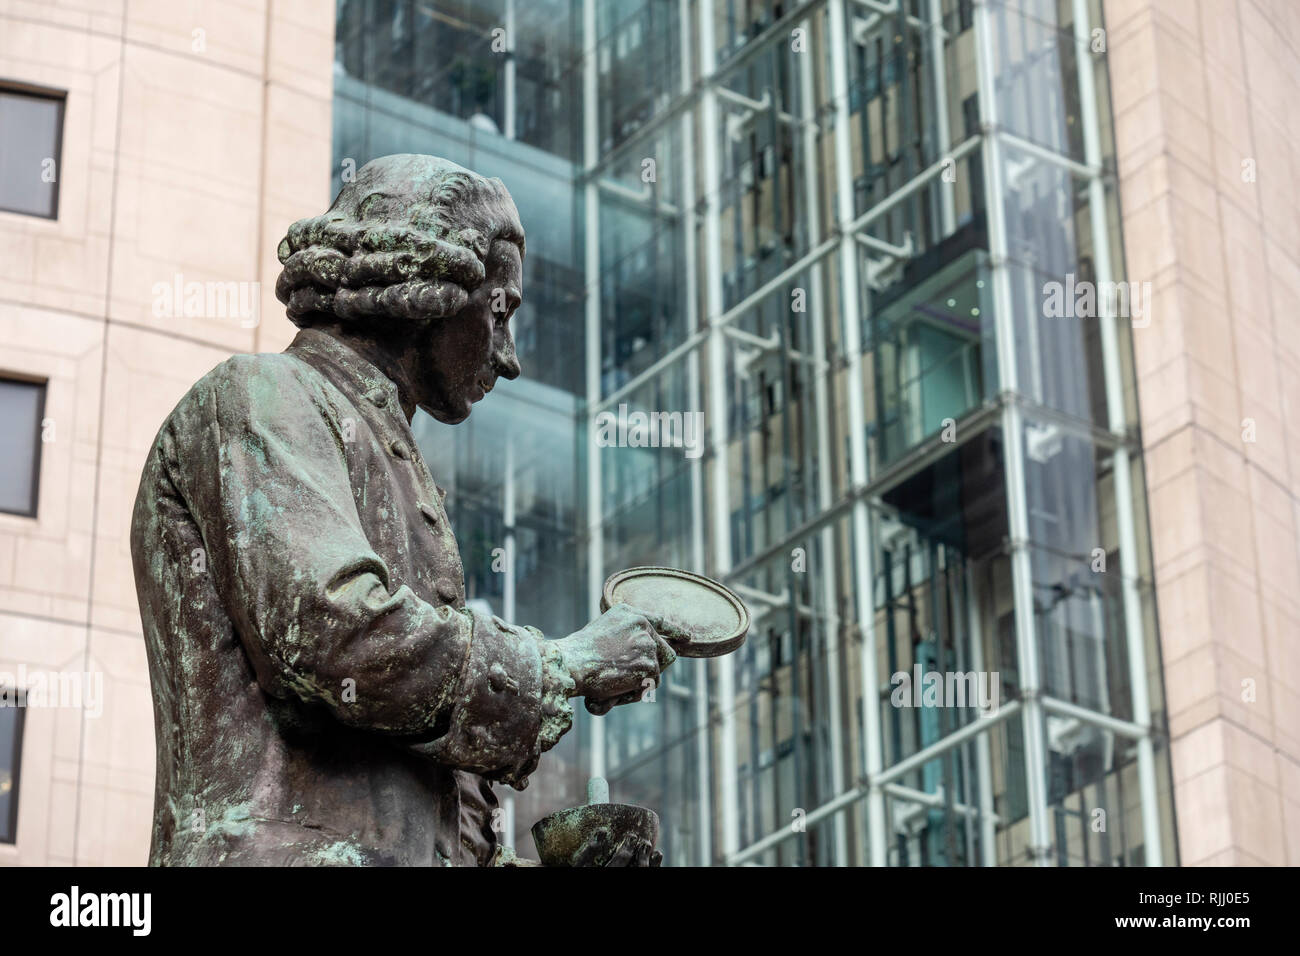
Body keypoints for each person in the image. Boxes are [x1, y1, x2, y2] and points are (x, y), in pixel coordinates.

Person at [130, 154, 676, 866]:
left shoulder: (391, 459)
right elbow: (332, 633)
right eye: (500, 311)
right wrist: (560, 666)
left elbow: (417, 824)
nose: (508, 358)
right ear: (430, 286)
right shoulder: (263, 395)